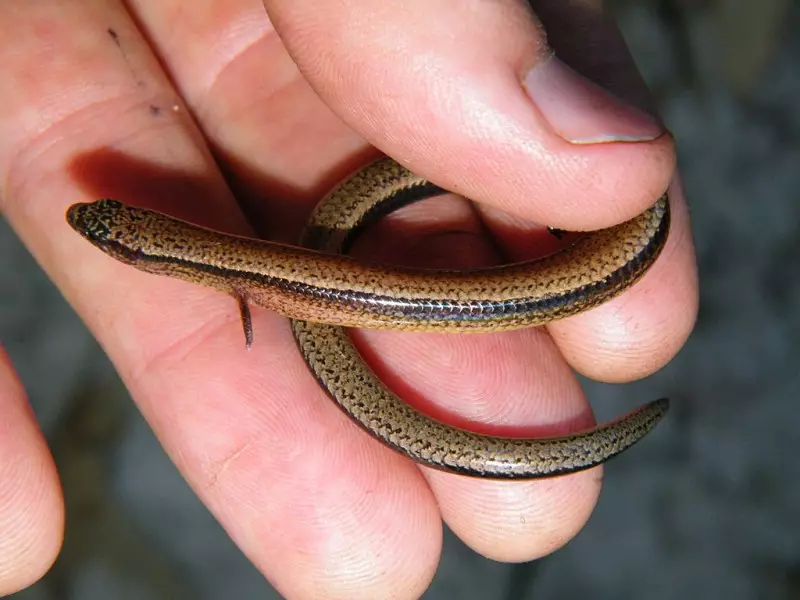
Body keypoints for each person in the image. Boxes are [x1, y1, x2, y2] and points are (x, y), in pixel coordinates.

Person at [0, 1, 697, 598]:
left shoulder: (243, 269)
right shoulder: (234, 264)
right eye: (113, 238)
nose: (103, 228)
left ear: (147, 249)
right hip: (584, 246)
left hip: (613, 235)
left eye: (113, 232)